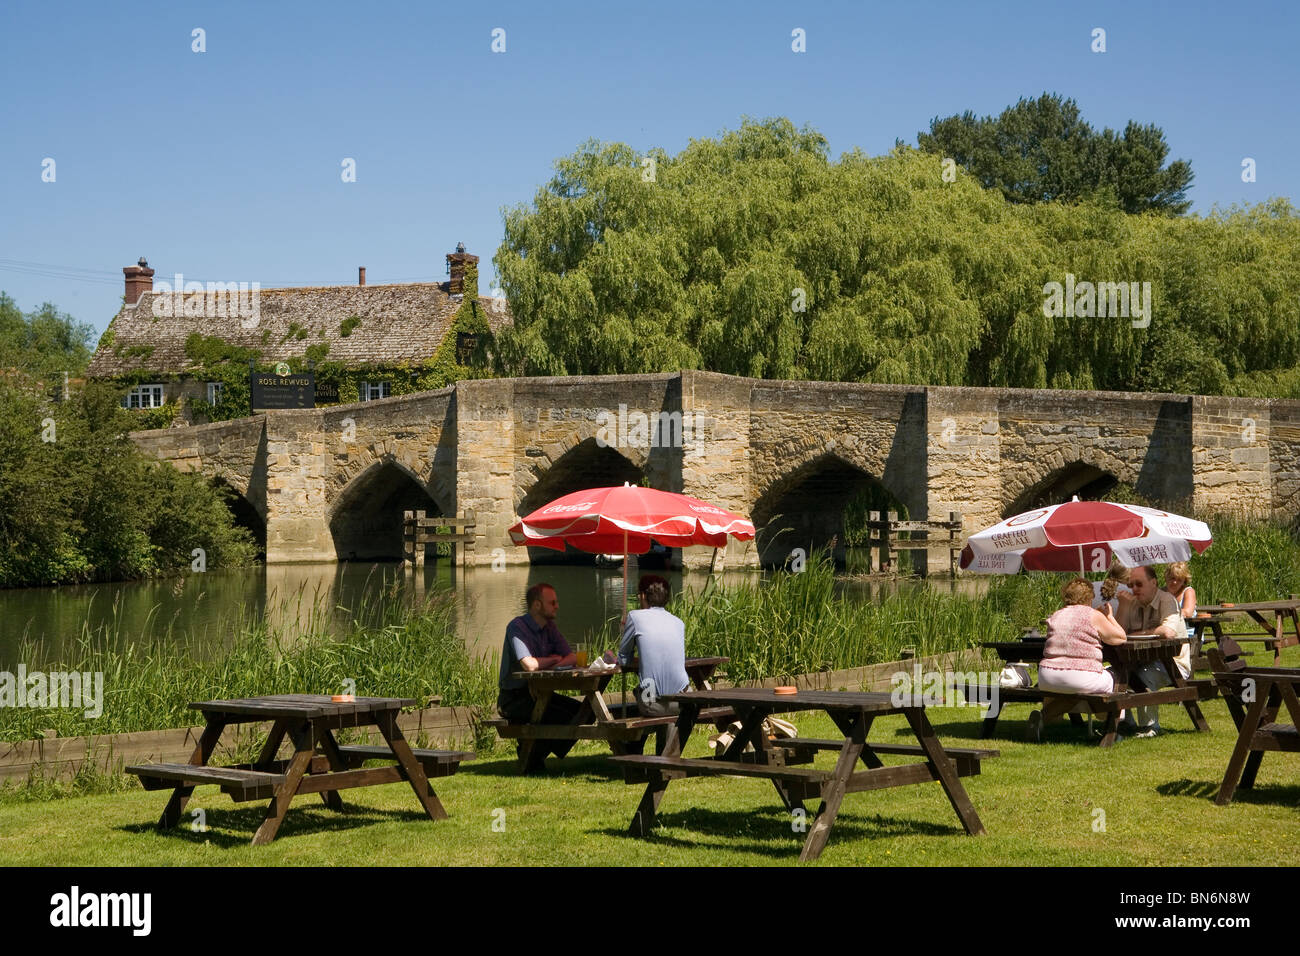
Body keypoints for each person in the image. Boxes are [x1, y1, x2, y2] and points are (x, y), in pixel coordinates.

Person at [497, 583, 581, 766]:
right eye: (552, 603)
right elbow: (529, 665)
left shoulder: (549, 627)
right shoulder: (517, 628)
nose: (557, 606)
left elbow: (572, 657)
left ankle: (535, 752)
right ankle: (533, 753)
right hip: (514, 699)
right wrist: (553, 660)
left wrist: (551, 662)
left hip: (540, 694)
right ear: (537, 605)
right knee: (561, 716)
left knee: (584, 712)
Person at [1115, 564, 1189, 737]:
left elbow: (1168, 632)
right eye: (1130, 585)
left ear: (1153, 582)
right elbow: (1117, 634)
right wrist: (1124, 606)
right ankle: (1127, 721)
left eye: (1138, 584)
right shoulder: (1132, 601)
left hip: (1173, 663)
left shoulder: (1167, 601)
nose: (1133, 589)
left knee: (1141, 678)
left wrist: (1139, 633)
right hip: (1141, 660)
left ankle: (1150, 727)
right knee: (1114, 675)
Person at [1038, 577, 1128, 697]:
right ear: (1090, 597)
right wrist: (1109, 616)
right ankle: (1115, 716)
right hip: (1081, 677)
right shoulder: (1093, 615)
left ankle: (1048, 714)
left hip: (1046, 677)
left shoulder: (1056, 614)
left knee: (1069, 693)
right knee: (1117, 677)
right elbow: (1121, 638)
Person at [618, 575, 690, 717]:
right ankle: (666, 740)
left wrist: (624, 632)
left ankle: (630, 739)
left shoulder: (634, 617)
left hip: (651, 704)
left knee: (638, 692)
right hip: (684, 701)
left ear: (643, 595)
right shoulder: (678, 622)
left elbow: (623, 659)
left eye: (639, 594)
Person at [1164, 561, 1198, 643]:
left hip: (1188, 635)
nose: (1174, 582)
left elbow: (1187, 613)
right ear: (1166, 577)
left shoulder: (1188, 591)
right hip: (1165, 634)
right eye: (1172, 578)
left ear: (1184, 581)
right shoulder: (1161, 592)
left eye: (1179, 580)